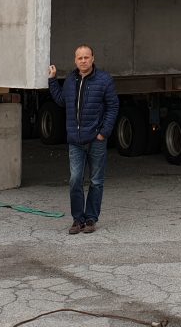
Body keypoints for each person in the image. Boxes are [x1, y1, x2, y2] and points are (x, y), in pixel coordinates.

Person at [48, 45, 118, 235]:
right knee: (75, 180)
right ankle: (77, 219)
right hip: (75, 141)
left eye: (87, 57)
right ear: (75, 60)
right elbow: (63, 101)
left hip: (96, 139)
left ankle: (90, 219)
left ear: (93, 58)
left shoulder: (104, 80)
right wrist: (52, 81)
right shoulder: (70, 80)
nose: (83, 61)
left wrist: (103, 133)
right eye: (80, 58)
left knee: (96, 181)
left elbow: (113, 107)